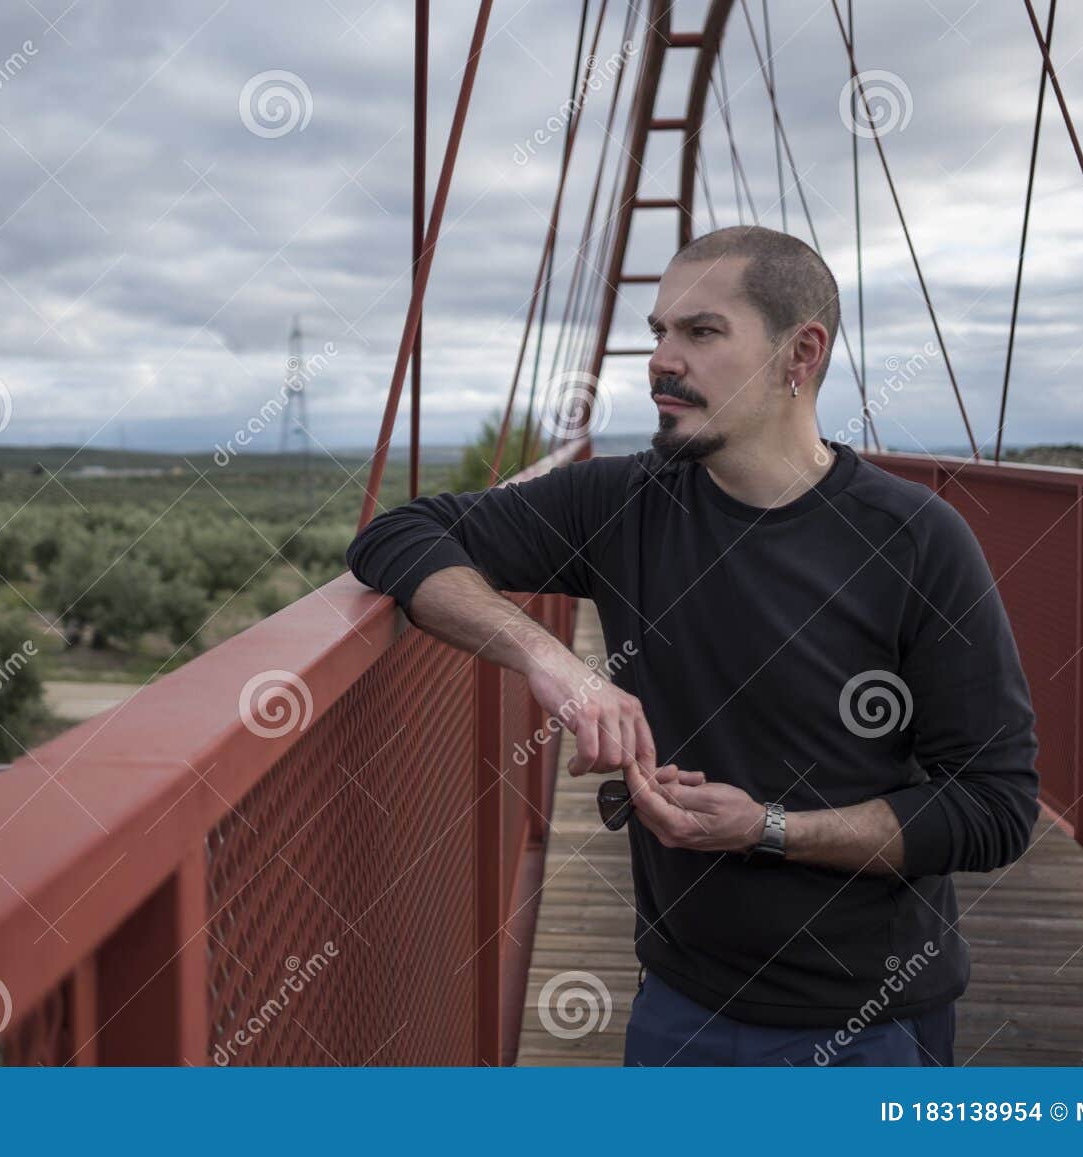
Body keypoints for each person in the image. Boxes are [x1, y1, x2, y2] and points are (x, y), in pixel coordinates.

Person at [345, 225, 1040, 1066]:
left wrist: (769, 828)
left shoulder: (916, 540)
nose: (661, 361)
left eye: (701, 332)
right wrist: (550, 659)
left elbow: (996, 808)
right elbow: (400, 536)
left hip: (869, 1020)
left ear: (802, 352)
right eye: (658, 332)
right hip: (682, 1005)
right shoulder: (625, 502)